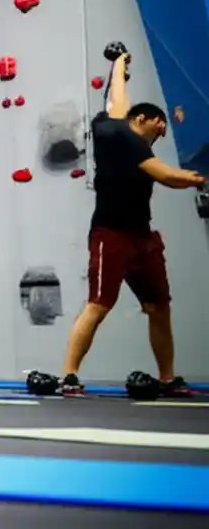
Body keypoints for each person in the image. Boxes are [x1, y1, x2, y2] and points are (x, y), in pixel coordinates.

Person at [59, 53, 203, 397]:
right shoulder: (123, 137)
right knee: (99, 304)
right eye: (160, 124)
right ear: (142, 118)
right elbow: (168, 176)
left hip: (143, 236)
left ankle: (167, 378)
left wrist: (120, 63)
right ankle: (69, 377)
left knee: (159, 307)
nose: (163, 130)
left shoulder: (117, 127)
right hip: (112, 234)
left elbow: (118, 95)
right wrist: (202, 180)